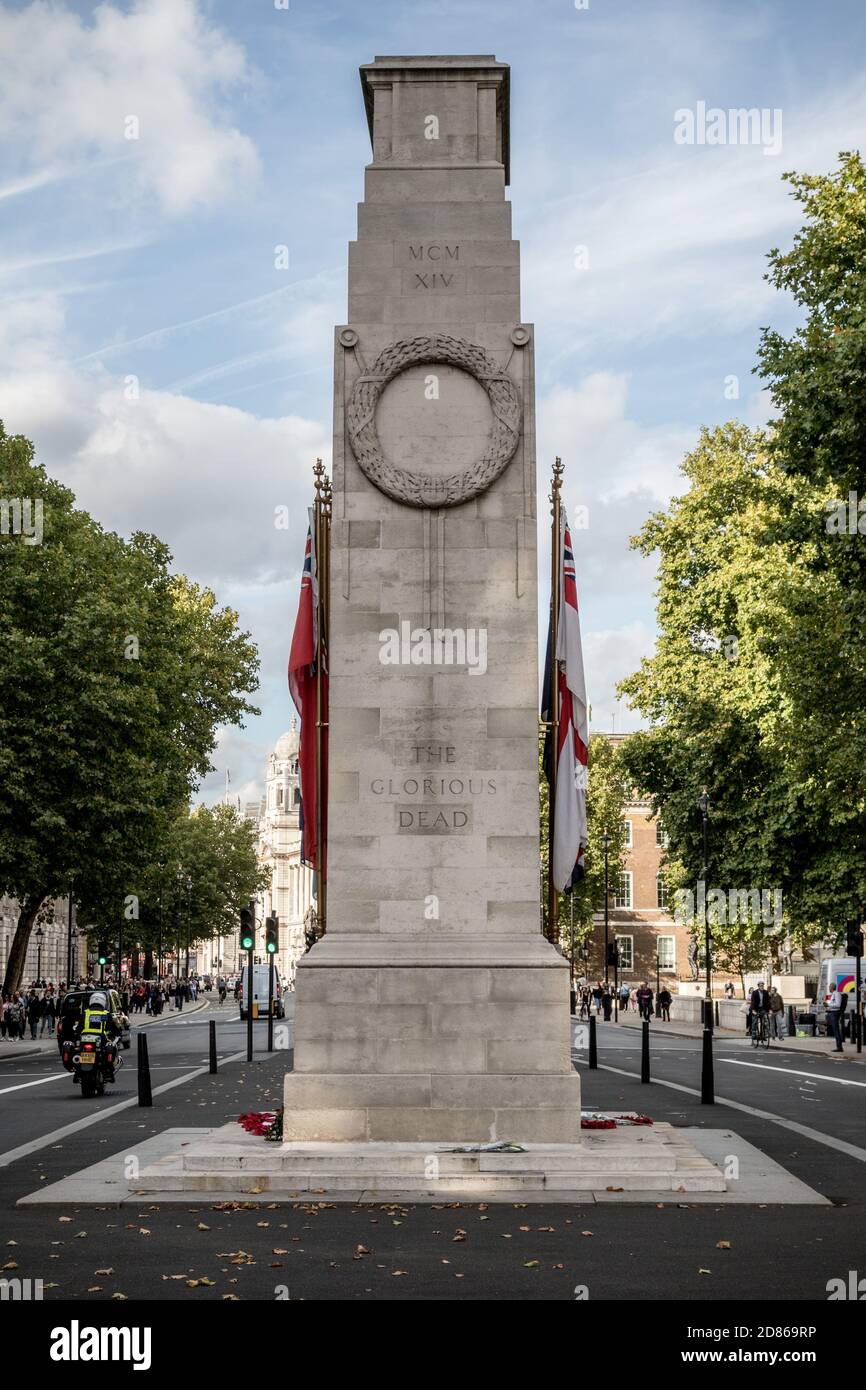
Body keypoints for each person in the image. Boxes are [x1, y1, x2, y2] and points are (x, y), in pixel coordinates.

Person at [826, 987, 845, 1053]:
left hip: (835, 1013)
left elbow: (838, 1005)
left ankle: (839, 1047)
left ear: (831, 987)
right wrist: (828, 1007)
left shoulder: (837, 994)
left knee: (836, 1030)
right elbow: (834, 1004)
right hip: (833, 1012)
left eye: (829, 987)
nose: (829, 989)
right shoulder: (833, 994)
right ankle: (838, 1046)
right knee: (835, 1030)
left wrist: (828, 1004)